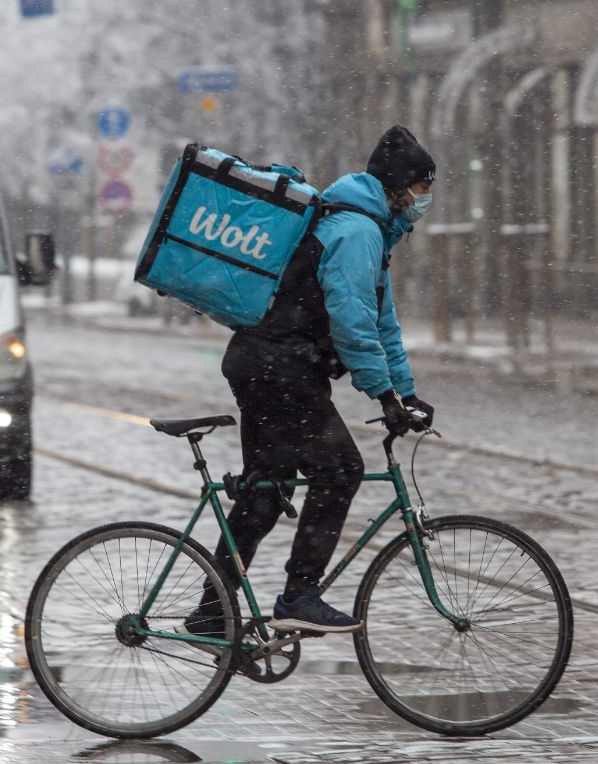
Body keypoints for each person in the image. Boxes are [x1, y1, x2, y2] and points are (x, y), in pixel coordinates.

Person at [183, 125, 438, 640]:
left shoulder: (366, 229)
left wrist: (404, 391)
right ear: (396, 187)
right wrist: (382, 394)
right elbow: (352, 322)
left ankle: (213, 611)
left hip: (266, 364)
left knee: (266, 491)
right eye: (422, 188)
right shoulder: (357, 234)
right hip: (280, 369)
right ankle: (300, 594)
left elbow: (382, 322)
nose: (425, 200)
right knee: (341, 469)